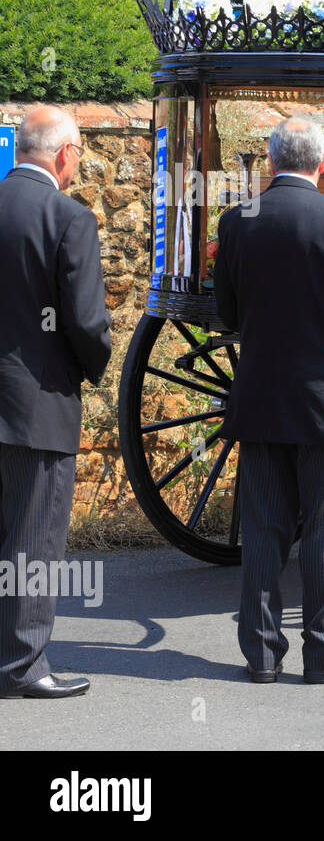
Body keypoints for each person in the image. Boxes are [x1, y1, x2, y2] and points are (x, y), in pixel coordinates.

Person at [214, 118, 324, 683]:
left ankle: (262, 656)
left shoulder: (237, 222)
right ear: (321, 164)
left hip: (262, 397)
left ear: (270, 162)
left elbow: (226, 314)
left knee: (264, 527)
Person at [0, 106, 111, 699]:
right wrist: (94, 368)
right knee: (33, 537)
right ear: (65, 152)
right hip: (37, 400)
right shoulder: (68, 218)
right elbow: (86, 320)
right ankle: (23, 664)